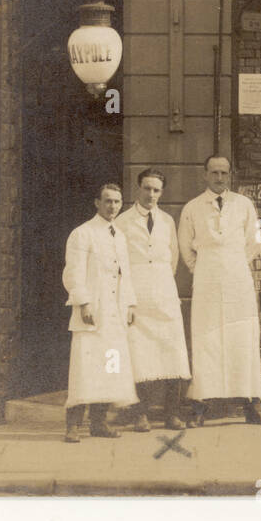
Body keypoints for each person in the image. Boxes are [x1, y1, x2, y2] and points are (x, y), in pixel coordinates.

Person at [178, 155, 261, 426]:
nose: (220, 178)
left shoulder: (244, 204)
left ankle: (252, 404)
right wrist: (203, 269)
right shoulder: (192, 208)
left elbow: (258, 239)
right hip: (207, 280)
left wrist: (235, 264)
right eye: (214, 172)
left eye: (224, 173)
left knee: (242, 340)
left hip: (238, 280)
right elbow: (185, 248)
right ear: (204, 174)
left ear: (230, 174)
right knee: (206, 340)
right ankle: (200, 406)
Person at [116, 168, 192, 432]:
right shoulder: (123, 221)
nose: (151, 194)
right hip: (137, 296)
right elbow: (119, 263)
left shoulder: (167, 221)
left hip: (164, 294)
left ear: (162, 192)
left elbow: (172, 259)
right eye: (147, 188)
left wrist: (161, 284)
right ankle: (140, 415)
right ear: (138, 189)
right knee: (140, 356)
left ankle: (172, 414)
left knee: (173, 354)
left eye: (156, 190)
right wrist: (128, 298)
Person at [62, 183, 139, 442]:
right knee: (85, 367)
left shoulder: (119, 234)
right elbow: (73, 272)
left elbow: (125, 274)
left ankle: (99, 423)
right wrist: (83, 303)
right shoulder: (82, 234)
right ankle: (73, 426)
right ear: (97, 203)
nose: (113, 207)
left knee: (109, 366)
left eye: (117, 202)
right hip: (93, 310)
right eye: (107, 201)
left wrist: (129, 304)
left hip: (114, 313)